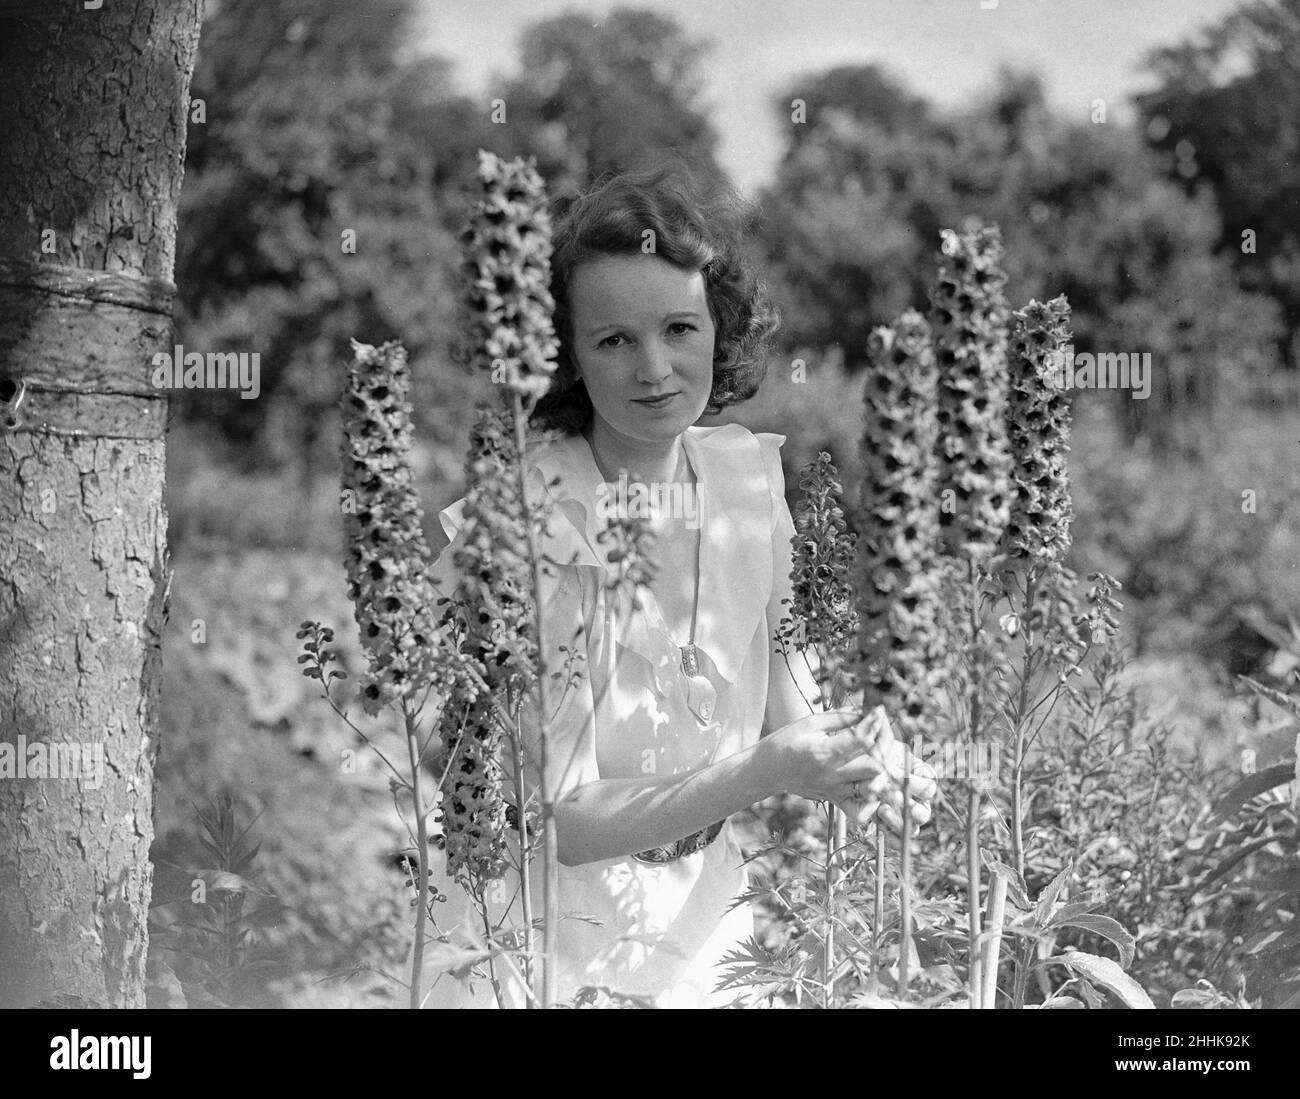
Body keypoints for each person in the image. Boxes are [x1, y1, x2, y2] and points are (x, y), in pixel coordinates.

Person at [415, 162, 936, 1008]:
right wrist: (766, 771)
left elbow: (791, 706)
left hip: (704, 931)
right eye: (615, 339)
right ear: (568, 357)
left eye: (680, 328)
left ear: (719, 330)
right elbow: (569, 821)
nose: (655, 368)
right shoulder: (532, 519)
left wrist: (867, 766)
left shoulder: (745, 479)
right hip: (540, 945)